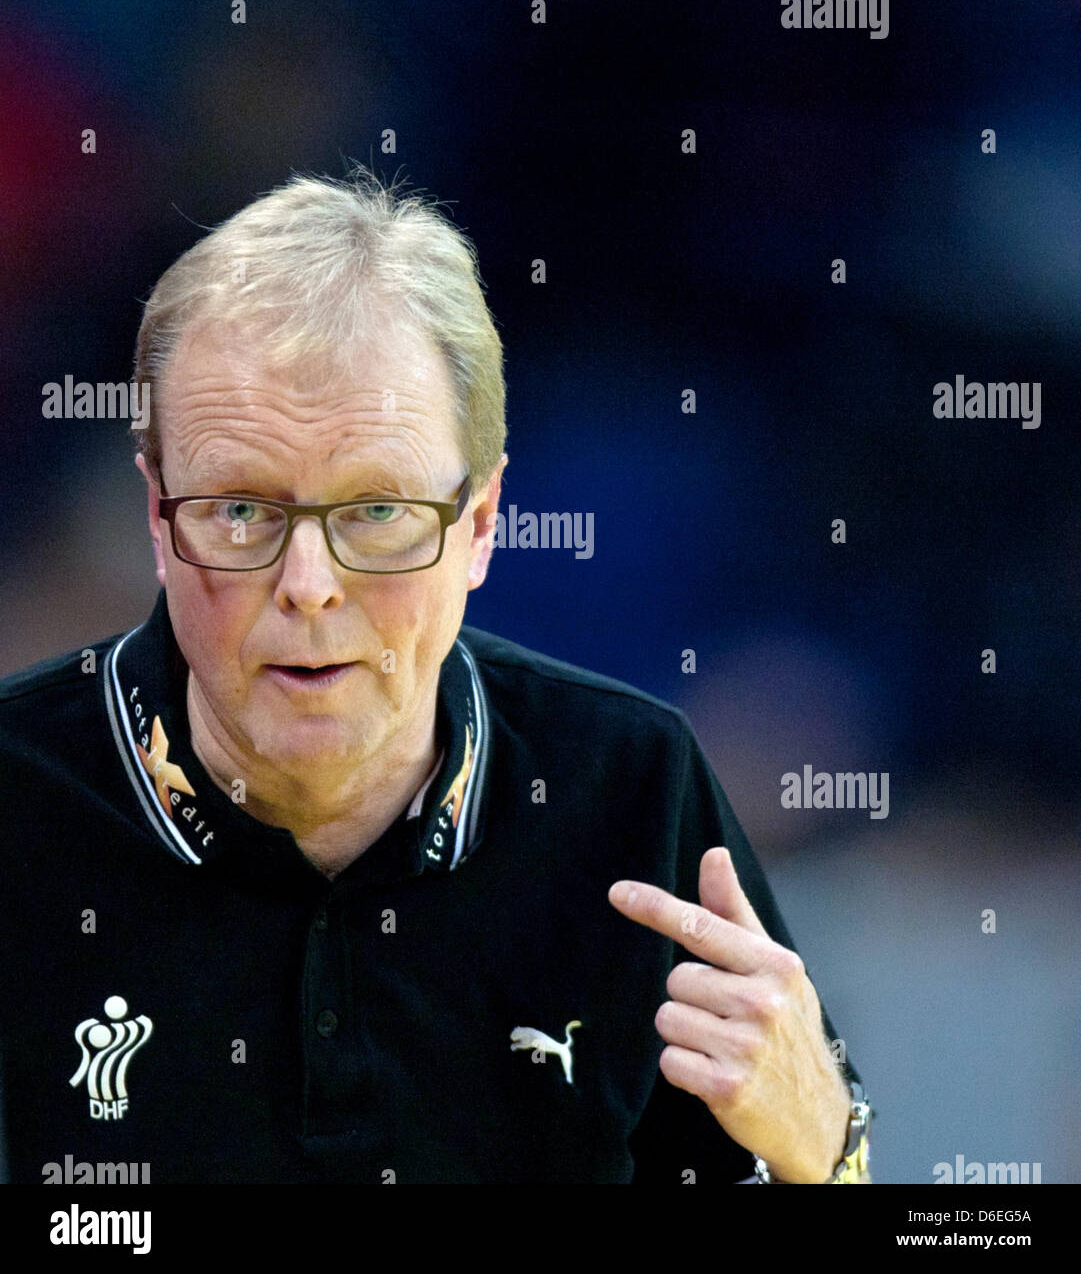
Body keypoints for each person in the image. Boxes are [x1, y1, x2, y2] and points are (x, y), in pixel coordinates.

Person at [0, 167, 870, 1184]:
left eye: (376, 511)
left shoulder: (631, 788)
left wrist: (826, 1152)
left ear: (482, 524)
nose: (309, 586)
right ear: (157, 515)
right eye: (242, 510)